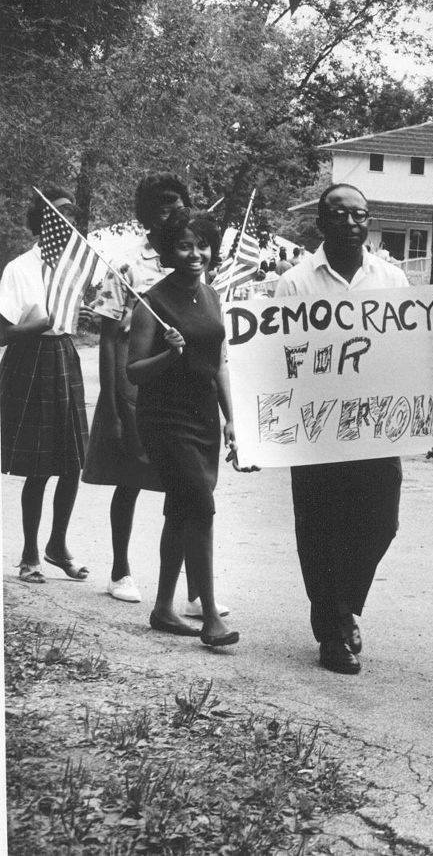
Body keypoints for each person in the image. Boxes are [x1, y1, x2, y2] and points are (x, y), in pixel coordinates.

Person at [275, 184, 406, 675]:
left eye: (361, 215)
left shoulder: (392, 280)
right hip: (316, 426)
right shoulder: (294, 283)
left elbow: (409, 355)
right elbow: (281, 356)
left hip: (376, 425)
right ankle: (332, 630)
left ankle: (343, 604)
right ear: (320, 224)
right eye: (340, 214)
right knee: (320, 529)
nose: (352, 222)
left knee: (380, 522)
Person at [127, 210, 246, 647]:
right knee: (201, 505)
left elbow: (217, 362)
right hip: (164, 418)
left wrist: (232, 417)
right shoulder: (150, 303)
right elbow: (134, 372)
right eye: (184, 246)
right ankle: (211, 616)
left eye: (202, 245)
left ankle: (162, 608)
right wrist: (169, 355)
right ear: (166, 251)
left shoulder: (212, 295)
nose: (195, 254)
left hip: (202, 417)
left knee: (182, 508)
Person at [85, 173, 193, 604]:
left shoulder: (194, 259)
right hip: (136, 381)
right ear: (145, 216)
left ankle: (193, 586)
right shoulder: (127, 266)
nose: (172, 211)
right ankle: (120, 570)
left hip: (181, 385)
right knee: (129, 478)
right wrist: (112, 406)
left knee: (187, 486)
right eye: (162, 205)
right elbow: (110, 335)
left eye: (179, 202)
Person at [0, 186, 89, 585]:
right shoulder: (19, 268)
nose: (64, 222)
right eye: (56, 214)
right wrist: (34, 325)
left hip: (64, 356)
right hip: (31, 360)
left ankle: (58, 545)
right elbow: (3, 333)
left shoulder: (76, 267)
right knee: (38, 466)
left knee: (73, 461)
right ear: (40, 221)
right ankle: (30, 552)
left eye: (70, 215)